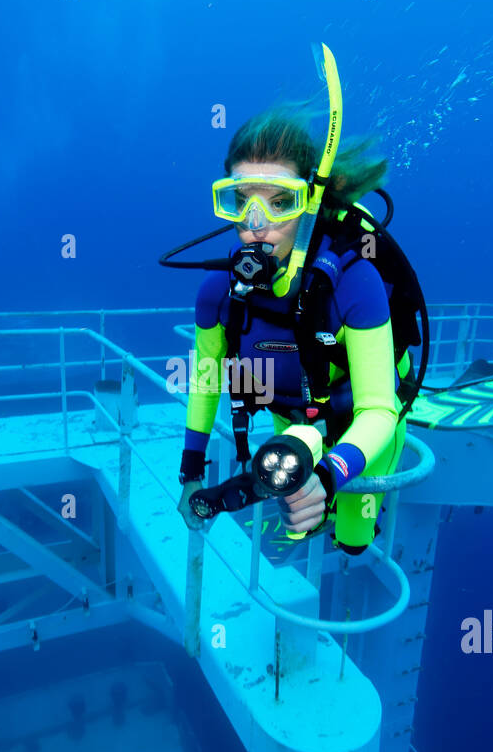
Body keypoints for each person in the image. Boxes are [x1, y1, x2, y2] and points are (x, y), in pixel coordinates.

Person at [174, 107, 413, 557]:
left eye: (279, 202)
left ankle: (353, 521)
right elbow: (206, 382)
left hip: (362, 418)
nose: (256, 223)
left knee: (353, 541)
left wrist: (327, 477)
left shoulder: (353, 281)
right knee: (301, 525)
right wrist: (190, 474)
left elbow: (379, 409)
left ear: (309, 203)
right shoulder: (217, 293)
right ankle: (317, 510)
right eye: (241, 200)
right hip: (296, 422)